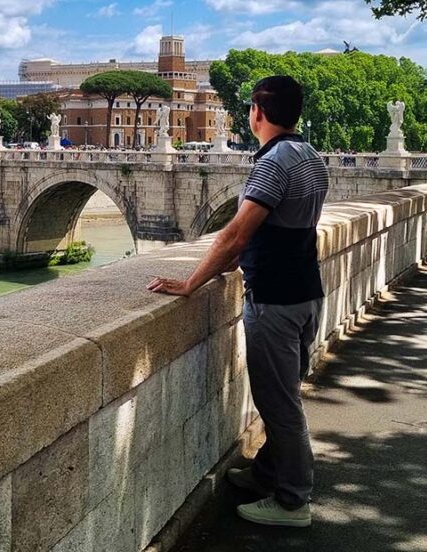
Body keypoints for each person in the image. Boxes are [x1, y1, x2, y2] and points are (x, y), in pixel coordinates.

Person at [147, 75, 328, 528]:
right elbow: (282, 231)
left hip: (274, 300)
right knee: (285, 395)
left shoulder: (274, 163)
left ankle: (293, 501)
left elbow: (234, 236)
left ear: (256, 113)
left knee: (279, 404)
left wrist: (191, 283)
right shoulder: (312, 158)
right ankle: (269, 472)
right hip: (307, 293)